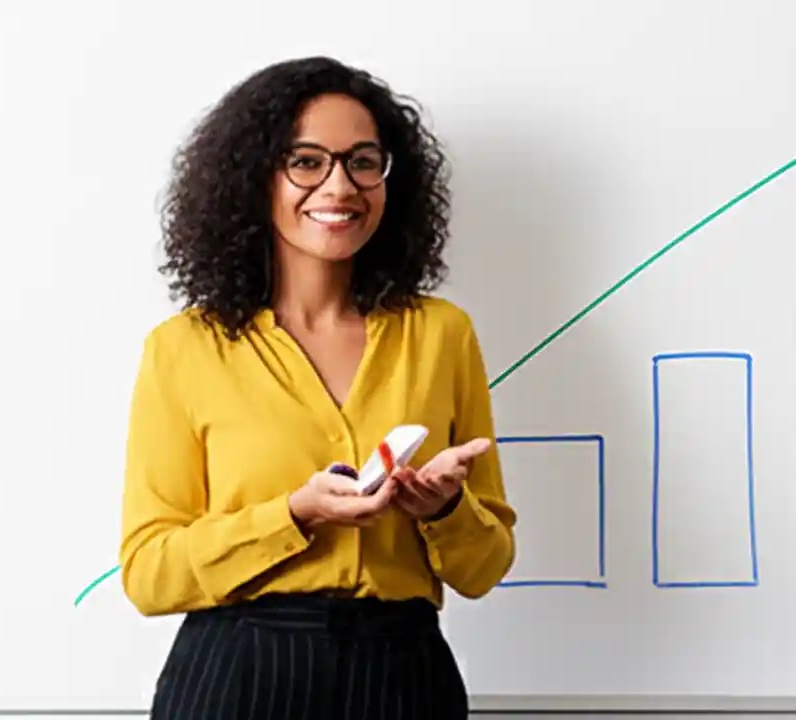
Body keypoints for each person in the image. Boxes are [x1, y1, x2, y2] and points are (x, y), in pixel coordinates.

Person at [116, 56, 517, 719]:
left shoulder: (442, 335)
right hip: (237, 673)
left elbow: (484, 568)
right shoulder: (184, 348)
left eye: (363, 161)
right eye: (306, 161)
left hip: (404, 676)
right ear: (255, 178)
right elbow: (150, 573)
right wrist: (295, 515)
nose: (340, 185)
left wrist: (444, 511)